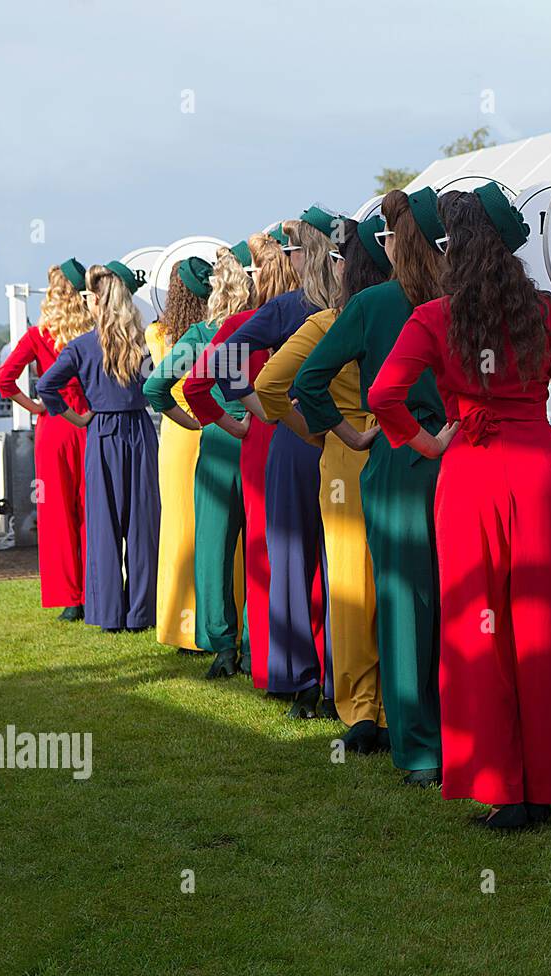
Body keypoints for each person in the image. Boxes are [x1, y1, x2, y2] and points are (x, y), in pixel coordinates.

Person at [368, 184, 551, 827]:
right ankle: (544, 785)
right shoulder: (546, 313)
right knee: (541, 626)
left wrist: (431, 443)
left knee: (478, 625)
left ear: (453, 248)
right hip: (539, 472)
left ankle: (501, 786)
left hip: (470, 474)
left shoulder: (434, 316)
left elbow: (384, 395)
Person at [294, 189, 448, 777]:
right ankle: (459, 732)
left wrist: (353, 433)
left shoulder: (372, 304)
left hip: (394, 459)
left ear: (389, 243)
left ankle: (418, 749)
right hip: (454, 456)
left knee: (403, 607)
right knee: (456, 604)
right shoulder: (456, 299)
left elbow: (308, 381)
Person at [253, 215, 391, 753]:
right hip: (408, 451)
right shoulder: (412, 314)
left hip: (347, 456)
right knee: (403, 583)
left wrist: (320, 435)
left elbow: (268, 389)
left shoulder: (329, 323)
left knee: (352, 586)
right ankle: (407, 703)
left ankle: (362, 709)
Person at [208, 207, 341, 716]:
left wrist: (264, 409)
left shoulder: (290, 308)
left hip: (295, 437)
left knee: (291, 556)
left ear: (304, 254)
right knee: (338, 559)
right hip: (345, 438)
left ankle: (300, 681)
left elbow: (222, 357)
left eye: (292, 249)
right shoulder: (348, 305)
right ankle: (335, 681)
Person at [182, 230, 297, 691]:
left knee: (241, 549)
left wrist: (233, 419)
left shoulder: (237, 327)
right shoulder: (317, 316)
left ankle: (231, 647)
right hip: (311, 438)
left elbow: (191, 386)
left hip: (257, 437)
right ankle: (270, 654)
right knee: (286, 552)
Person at [144, 244, 252, 677]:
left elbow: (154, 390)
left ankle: (223, 646)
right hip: (262, 438)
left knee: (213, 550)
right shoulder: (265, 327)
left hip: (217, 442)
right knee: (264, 547)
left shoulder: (201, 336)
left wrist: (195, 422)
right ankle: (261, 645)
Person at [36, 261, 161, 631]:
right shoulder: (142, 341)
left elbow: (45, 386)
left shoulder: (82, 346)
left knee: (104, 526)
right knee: (142, 525)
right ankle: (141, 613)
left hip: (101, 432)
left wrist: (75, 417)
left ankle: (107, 613)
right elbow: (160, 384)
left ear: (97, 301)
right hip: (139, 431)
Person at [0, 258, 92, 620]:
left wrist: (35, 407)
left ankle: (70, 598)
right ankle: (97, 588)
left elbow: (5, 379)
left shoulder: (38, 335)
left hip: (52, 426)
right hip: (87, 423)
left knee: (55, 515)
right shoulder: (91, 332)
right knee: (89, 510)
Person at [145, 257, 213, 653]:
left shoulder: (160, 335)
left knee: (177, 529)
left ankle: (177, 624)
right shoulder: (213, 333)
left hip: (177, 432)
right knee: (211, 528)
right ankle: (211, 619)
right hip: (209, 423)